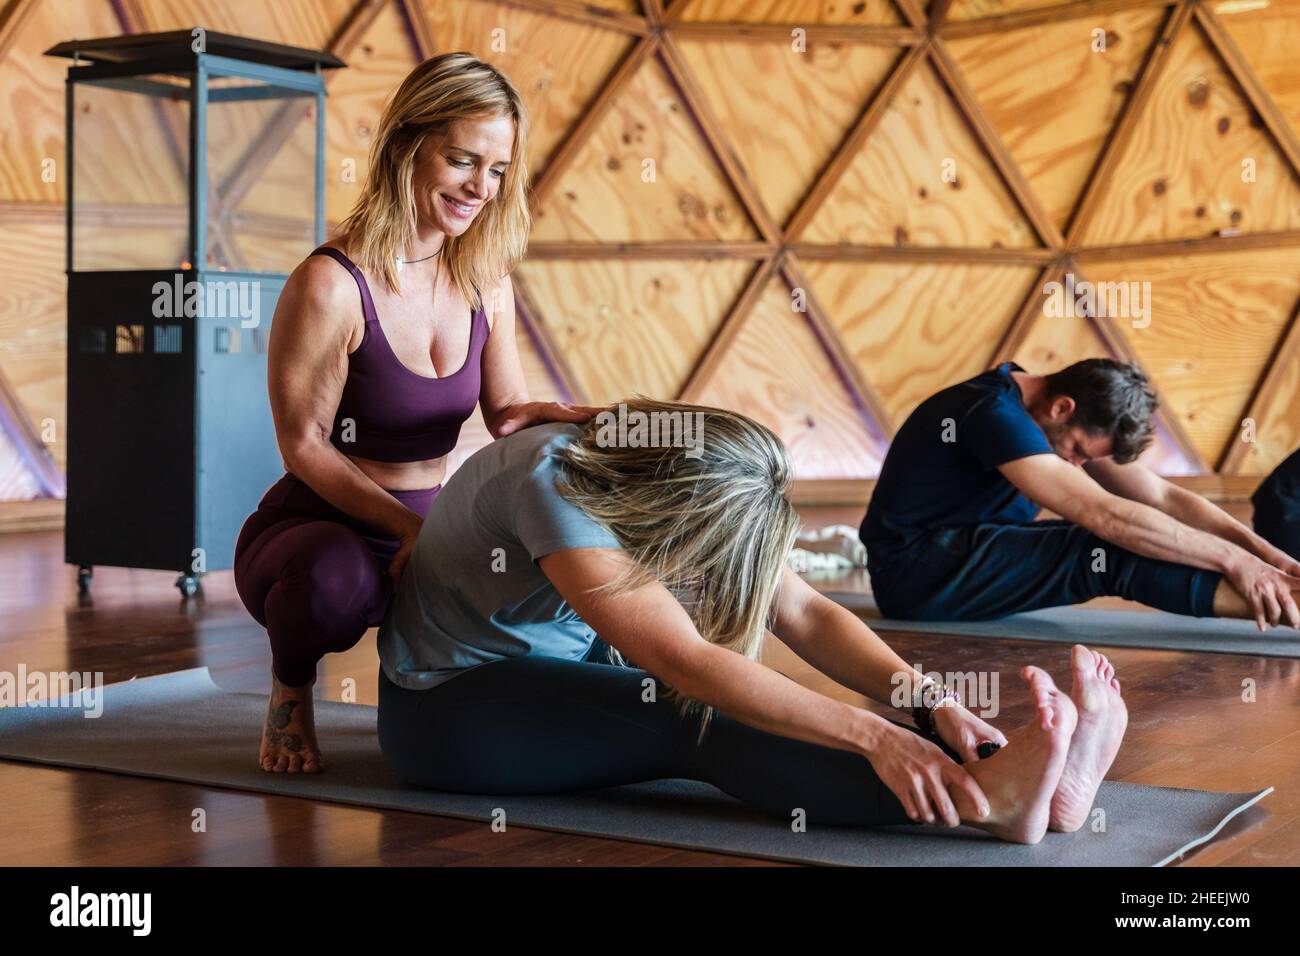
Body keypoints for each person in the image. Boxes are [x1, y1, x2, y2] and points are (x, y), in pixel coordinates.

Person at [376, 397, 1130, 842]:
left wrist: (927, 703)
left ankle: (1029, 784)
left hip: (557, 671)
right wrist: (876, 735)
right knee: (688, 713)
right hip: (446, 713)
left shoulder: (657, 459)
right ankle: (989, 802)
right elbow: (689, 663)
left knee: (718, 700)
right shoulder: (553, 489)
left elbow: (802, 607)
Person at [233, 53, 597, 774]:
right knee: (339, 585)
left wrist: (564, 413)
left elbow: (507, 415)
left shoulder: (485, 277)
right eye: (462, 159)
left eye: (497, 170)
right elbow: (303, 445)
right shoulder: (330, 284)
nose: (480, 188)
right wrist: (407, 529)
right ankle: (289, 688)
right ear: (407, 145)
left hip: (435, 521)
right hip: (319, 527)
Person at [859, 358, 1300, 631]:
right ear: (1062, 408)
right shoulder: (993, 413)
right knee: (1102, 548)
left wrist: (1264, 556)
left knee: (1137, 532)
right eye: (1076, 453)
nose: (1076, 466)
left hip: (963, 553)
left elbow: (1164, 499)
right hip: (913, 574)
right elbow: (1106, 515)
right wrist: (1233, 561)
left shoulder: (1060, 416)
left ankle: (1286, 594)